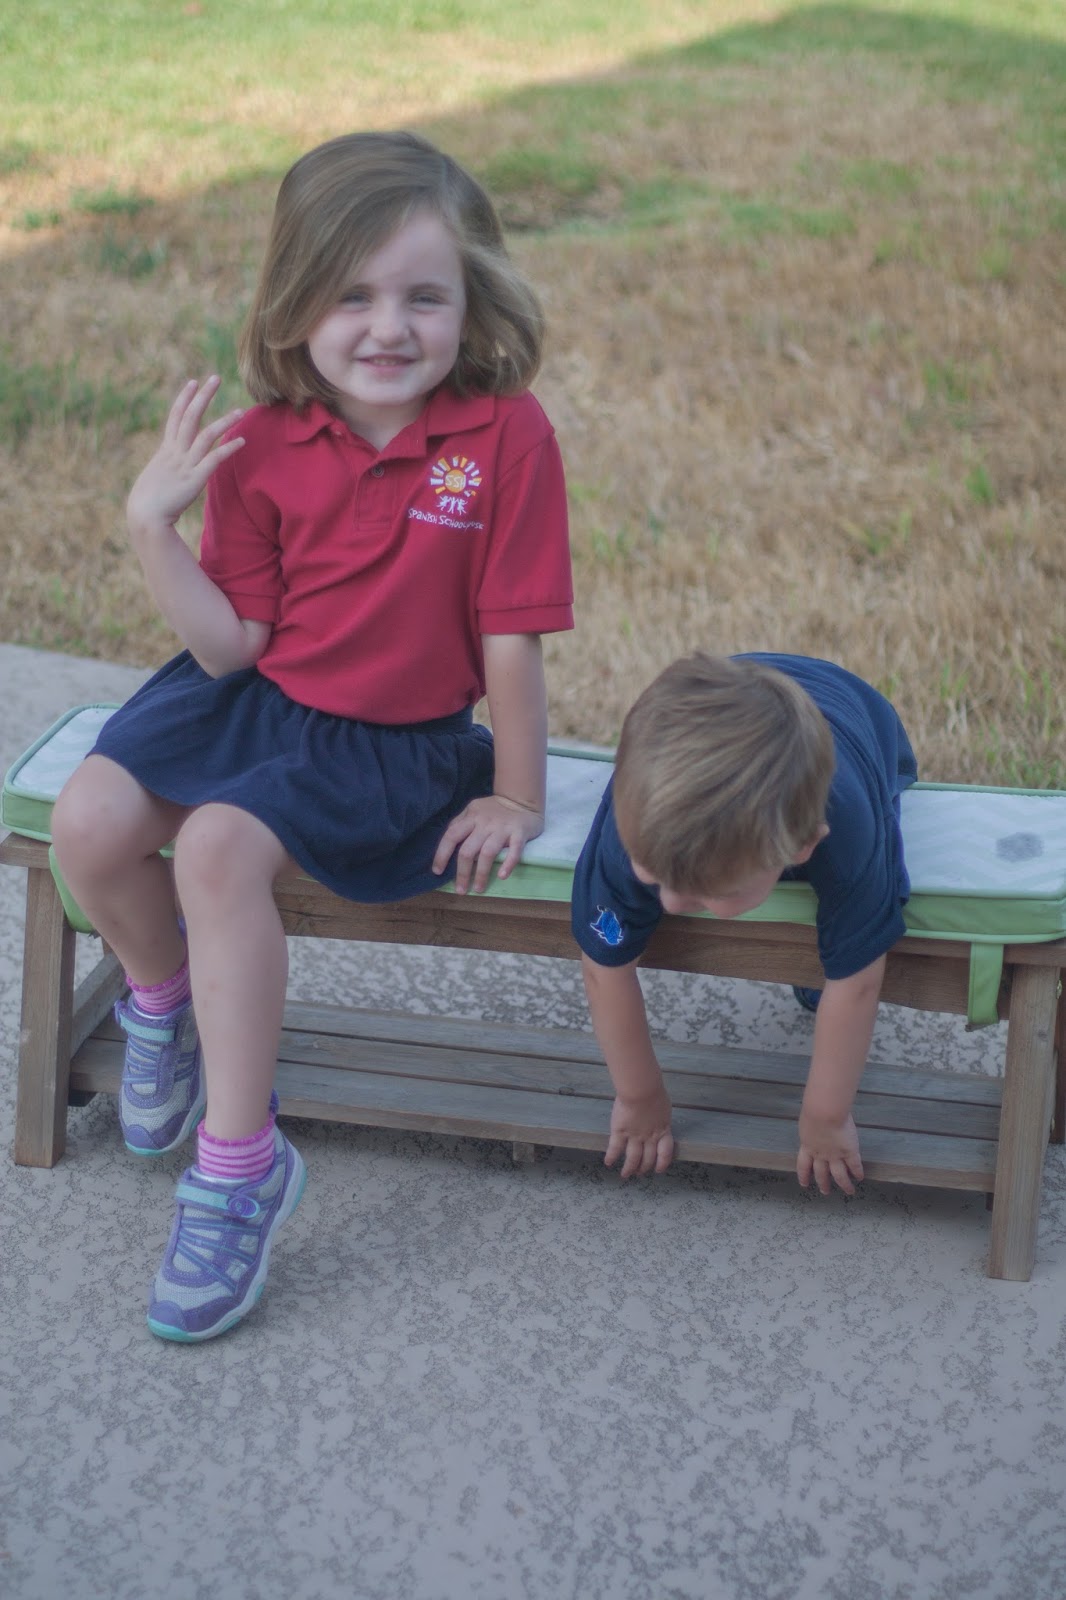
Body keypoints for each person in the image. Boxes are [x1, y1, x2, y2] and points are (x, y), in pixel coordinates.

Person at [51, 130, 573, 1342]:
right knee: (89, 819)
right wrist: (151, 529)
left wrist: (518, 793)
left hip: (388, 740)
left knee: (218, 847)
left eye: (421, 296)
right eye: (350, 294)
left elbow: (512, 639)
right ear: (294, 304)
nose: (386, 327)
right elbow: (231, 646)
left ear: (469, 300)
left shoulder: (504, 436)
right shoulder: (264, 441)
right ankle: (158, 996)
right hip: (248, 699)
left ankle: (238, 1170)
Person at [571, 652, 917, 1198]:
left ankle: (811, 962)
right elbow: (603, 966)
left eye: (713, 891)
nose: (674, 903)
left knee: (854, 927)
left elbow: (860, 984)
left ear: (803, 846)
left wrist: (826, 1118)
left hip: (858, 719)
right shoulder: (630, 820)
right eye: (654, 875)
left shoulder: (848, 832)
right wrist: (639, 1098)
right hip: (721, 715)